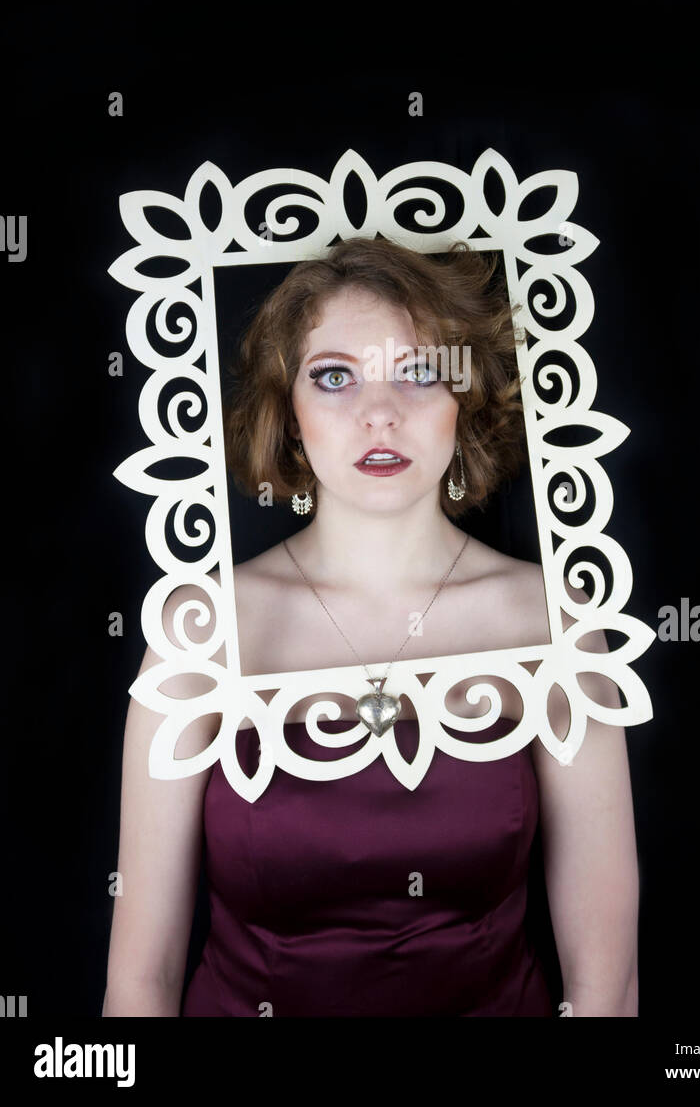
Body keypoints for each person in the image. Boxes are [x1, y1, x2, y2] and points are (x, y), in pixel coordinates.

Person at [101, 235, 639, 1017]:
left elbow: (607, 990)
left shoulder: (555, 622)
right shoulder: (202, 630)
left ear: (467, 398)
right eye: (333, 378)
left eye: (419, 372)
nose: (379, 414)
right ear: (290, 413)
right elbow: (138, 984)